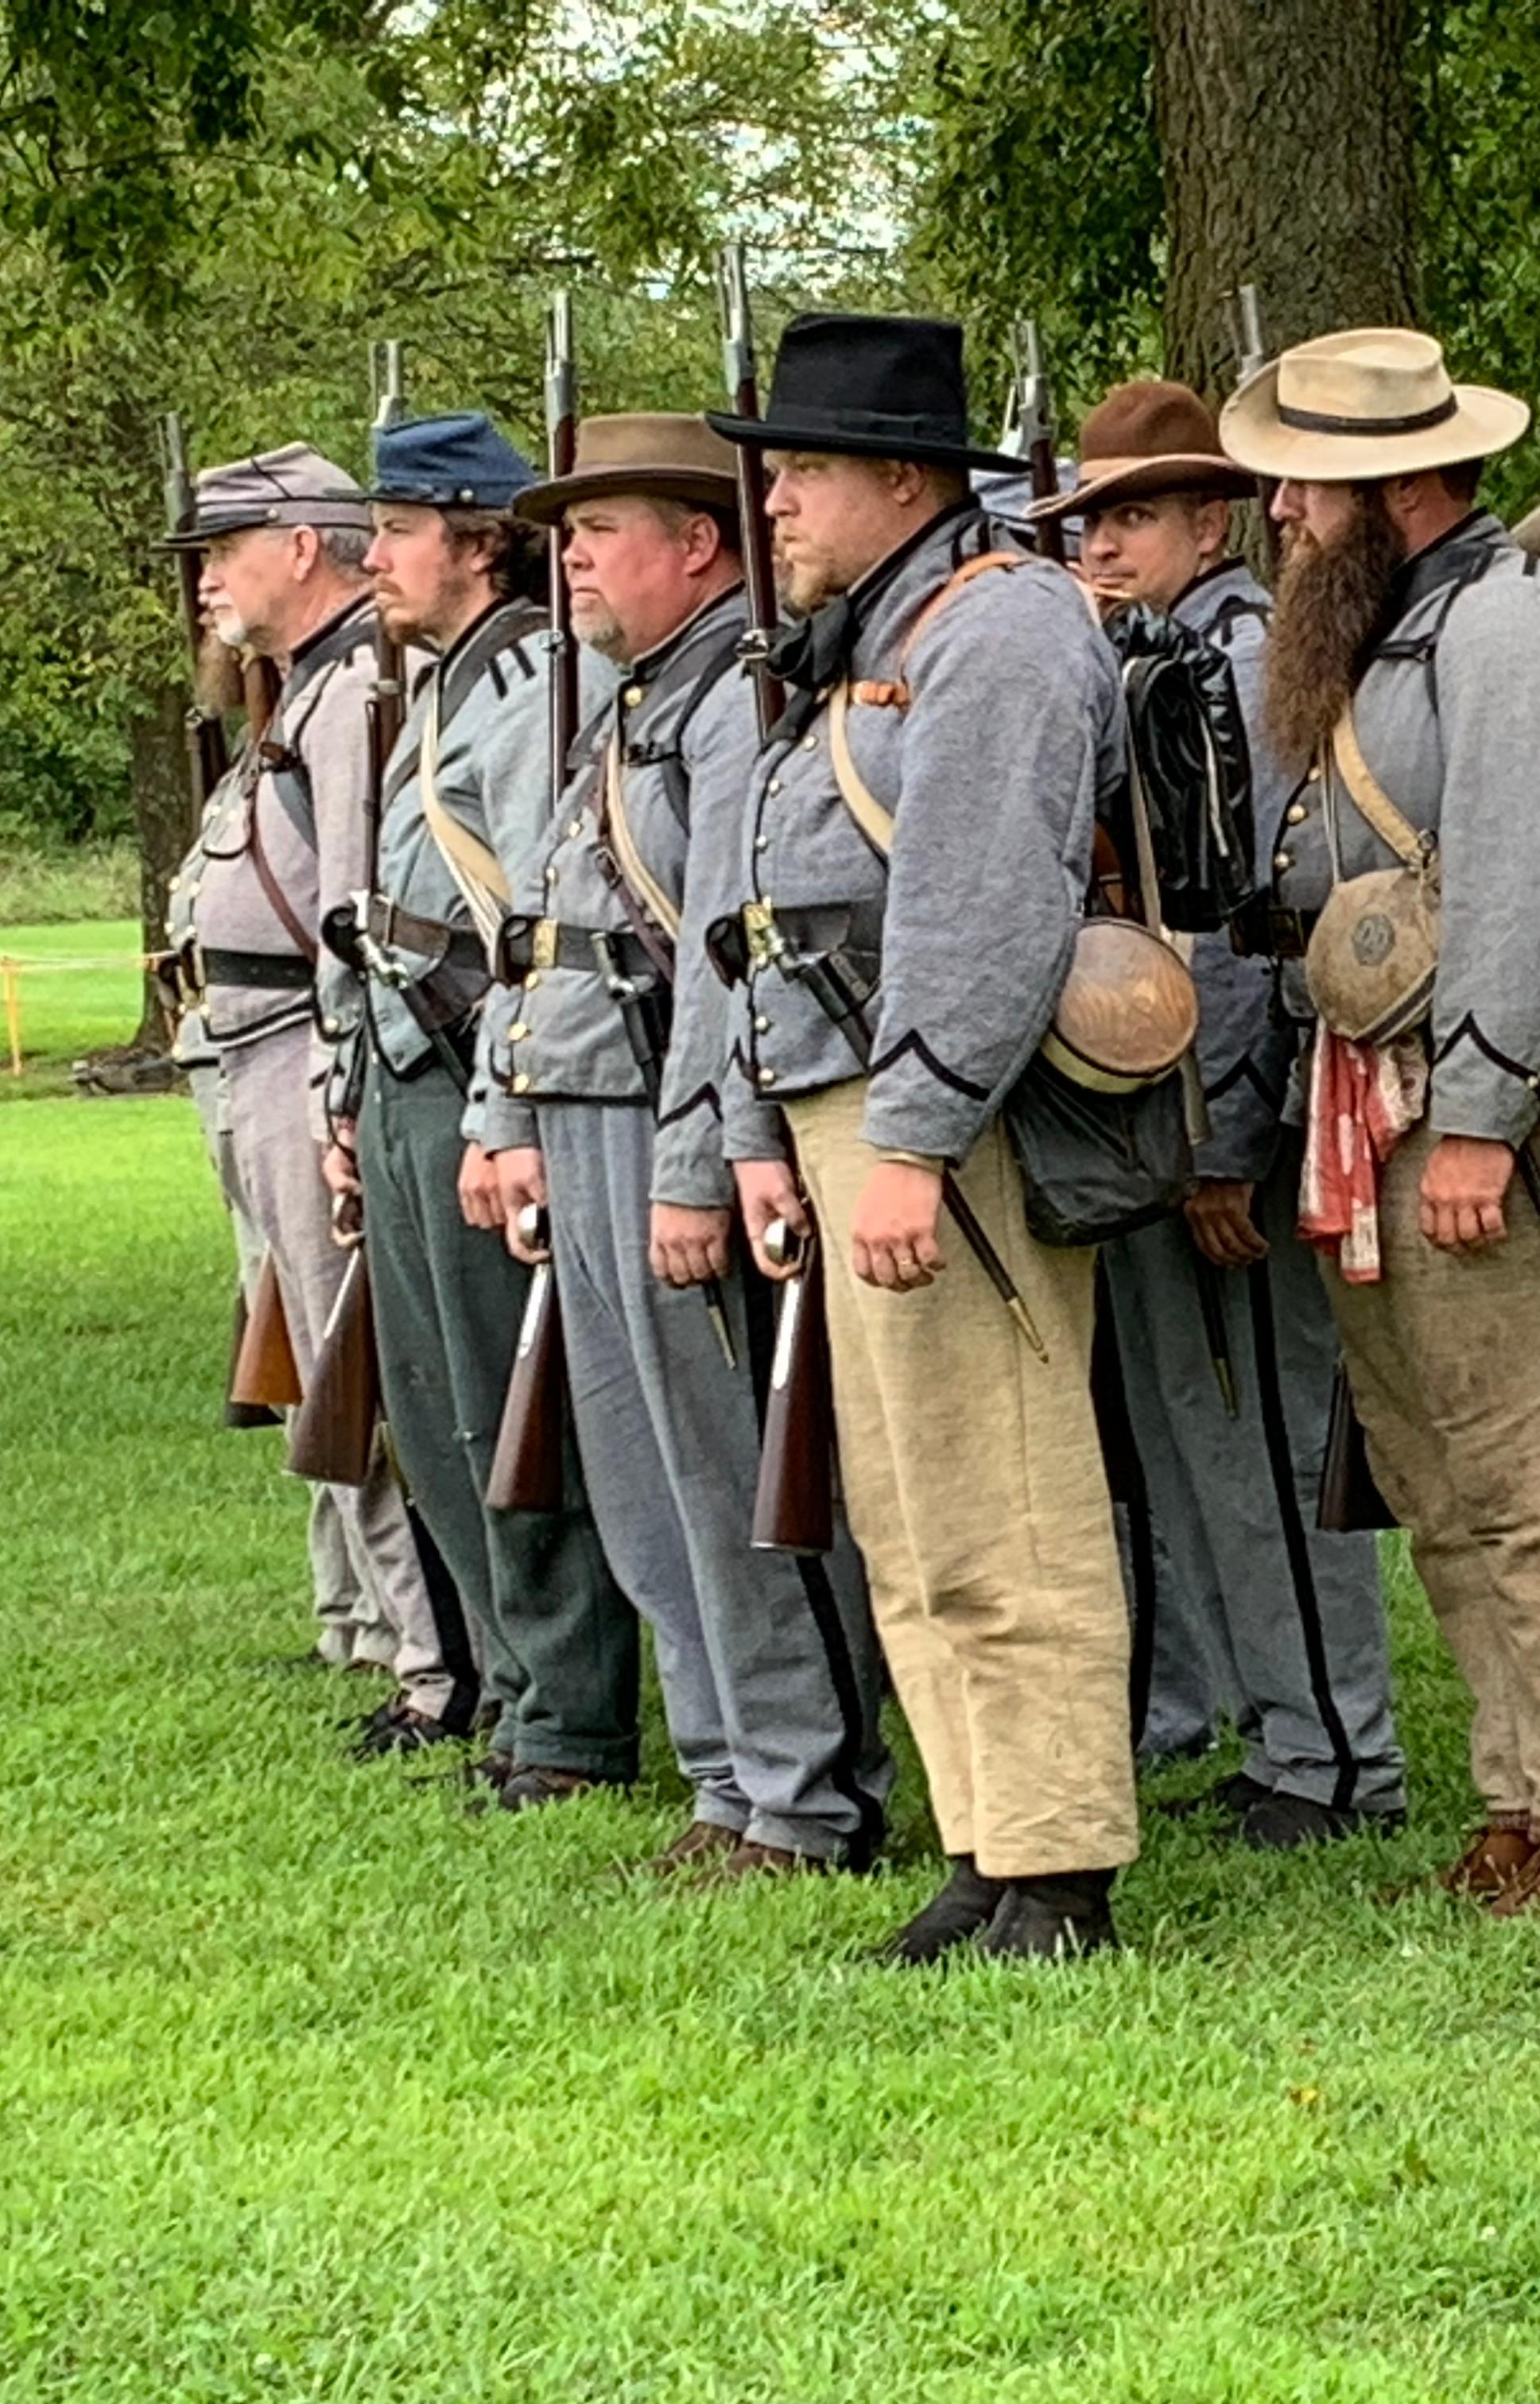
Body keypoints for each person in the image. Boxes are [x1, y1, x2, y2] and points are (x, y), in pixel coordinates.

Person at [705, 312, 1138, 1962]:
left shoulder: (1000, 629)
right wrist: (764, 1121)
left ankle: (1055, 1867)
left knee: (1004, 1483)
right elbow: (769, 903)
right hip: (855, 1104)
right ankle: (986, 1836)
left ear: (903, 478)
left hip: (947, 1124)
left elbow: (980, 903)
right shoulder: (871, 630)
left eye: (805, 473)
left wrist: (915, 1132)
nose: (779, 510)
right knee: (913, 1498)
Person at [1220, 328, 1540, 1913]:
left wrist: (1480, 1115)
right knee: (1445, 1485)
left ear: (1400, 481)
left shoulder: (1510, 624)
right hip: (1372, 1105)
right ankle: (1523, 1801)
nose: (1278, 511)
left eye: (1306, 485)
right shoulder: (1400, 630)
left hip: (1476, 1118)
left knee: (1539, 1474)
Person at [476, 412, 897, 1876]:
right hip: (583, 1098)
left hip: (675, 1118)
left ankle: (806, 1789)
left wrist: (693, 1167)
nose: (570, 556)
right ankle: (724, 1770)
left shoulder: (732, 701)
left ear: (696, 545)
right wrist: (509, 1108)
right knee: (648, 1486)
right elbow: (545, 923)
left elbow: (727, 952)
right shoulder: (627, 698)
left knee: (733, 1482)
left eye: (600, 530)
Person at [1025, 378, 1407, 1848]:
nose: (1103, 546)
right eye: (1092, 521)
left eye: (1132, 516)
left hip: (1215, 1110)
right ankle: (1277, 1728)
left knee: (1259, 1442)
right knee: (1194, 1449)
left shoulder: (1242, 664)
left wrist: (1223, 1142)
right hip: (1152, 1107)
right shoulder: (1153, 655)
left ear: (1210, 519)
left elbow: (1241, 933)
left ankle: (1337, 1758)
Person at [333, 410, 637, 1786]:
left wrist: (501, 1105)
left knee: (512, 1409)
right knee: (440, 1406)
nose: (373, 556)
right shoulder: (446, 681)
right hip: (400, 1063)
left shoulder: (531, 687)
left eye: (398, 531)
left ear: (474, 543)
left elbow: (536, 906)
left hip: (472, 1067)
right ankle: (515, 1693)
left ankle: (567, 1712)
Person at [173, 445, 458, 1730]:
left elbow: (355, 905)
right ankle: (377, 1630)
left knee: (352, 1362)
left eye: (224, 551)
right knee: (312, 1351)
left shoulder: (352, 697)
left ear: (300, 546)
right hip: (254, 1043)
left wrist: (339, 1081)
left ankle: (428, 1662)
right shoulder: (304, 691)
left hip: (305, 1044)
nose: (205, 584)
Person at [163, 616, 397, 1681]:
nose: (208, 602)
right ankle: (350, 1612)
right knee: (288, 1342)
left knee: (331, 1346)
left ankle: (403, 1635)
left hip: (293, 1044)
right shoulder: (266, 740)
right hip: (233, 1051)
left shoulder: (335, 711)